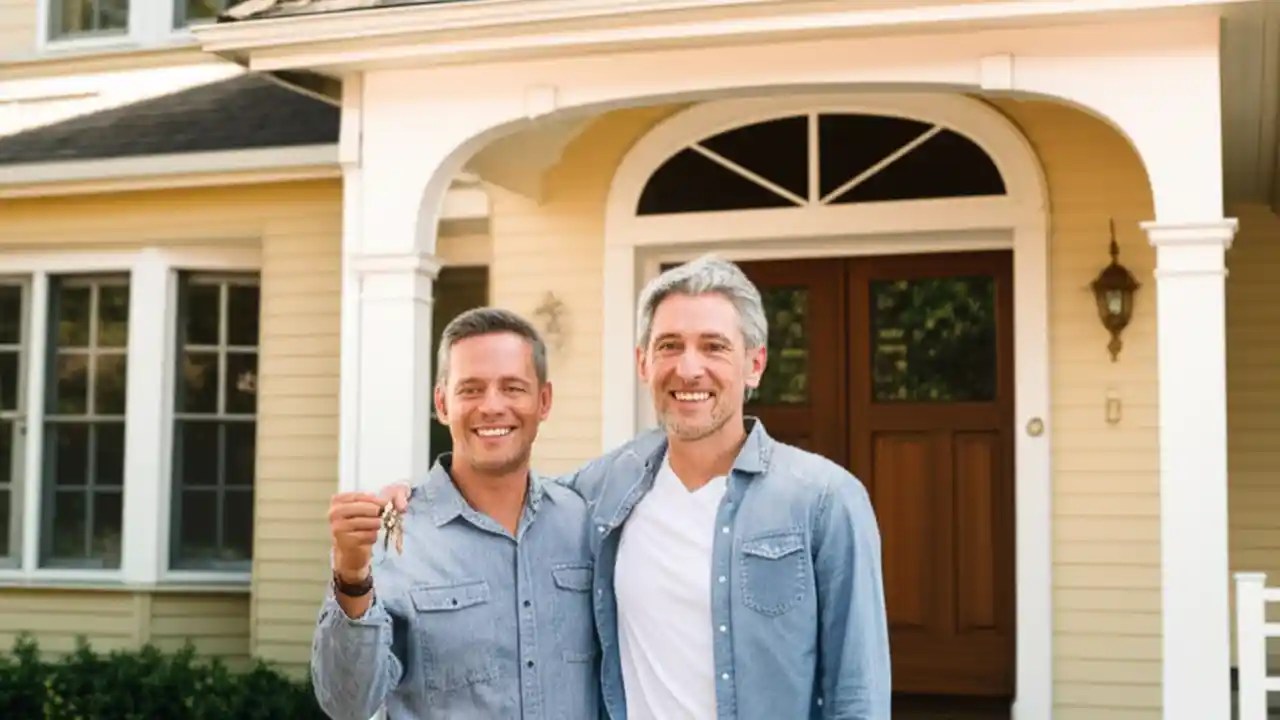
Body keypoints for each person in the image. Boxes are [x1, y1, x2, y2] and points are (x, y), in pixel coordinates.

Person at [383, 255, 891, 719]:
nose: (688, 368)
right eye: (669, 346)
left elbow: (858, 697)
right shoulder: (604, 489)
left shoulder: (825, 500)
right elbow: (505, 496)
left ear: (754, 365)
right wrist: (414, 498)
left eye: (713, 347)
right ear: (644, 362)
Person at [311, 308, 598, 720]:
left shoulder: (582, 522)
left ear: (544, 401)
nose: (492, 406)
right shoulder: (393, 534)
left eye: (513, 387)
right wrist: (352, 577)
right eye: (471, 389)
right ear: (442, 403)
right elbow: (347, 704)